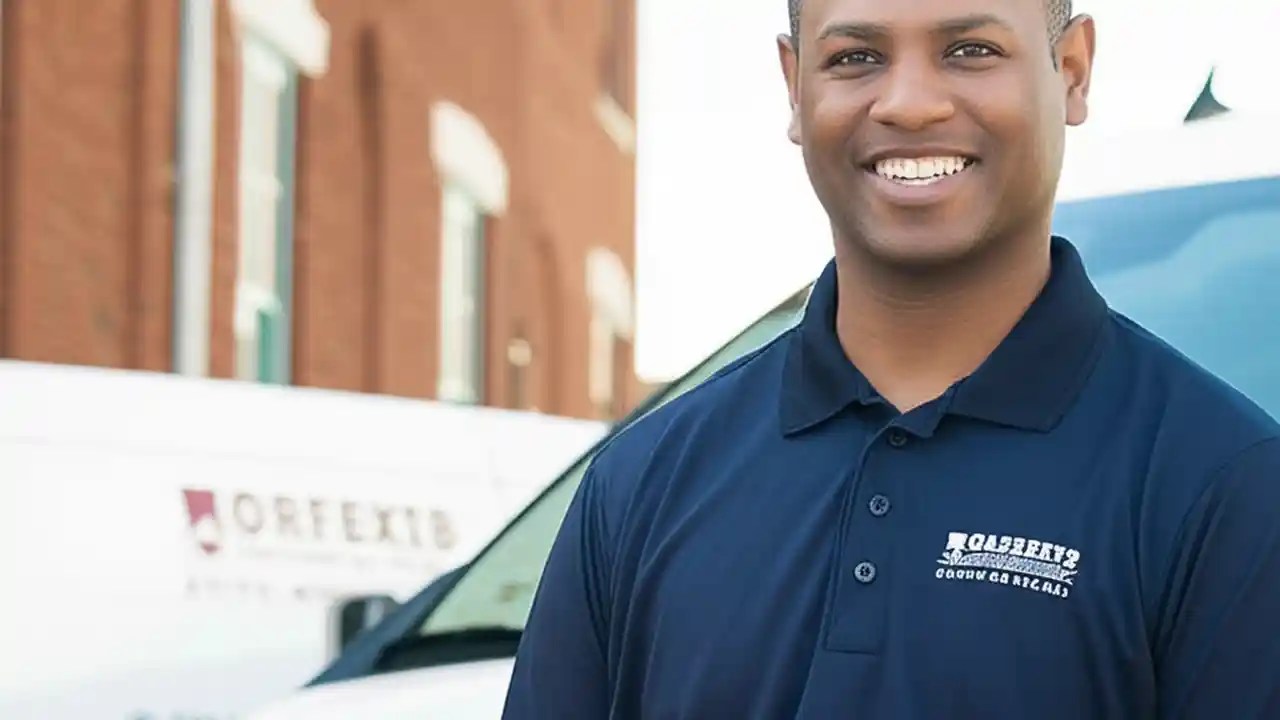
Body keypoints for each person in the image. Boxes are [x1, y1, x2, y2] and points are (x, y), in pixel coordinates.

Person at [502, 0, 1280, 717]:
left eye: (970, 50)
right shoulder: (641, 484)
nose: (908, 103)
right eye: (855, 57)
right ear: (794, 86)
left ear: (1071, 70)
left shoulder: (1226, 487)